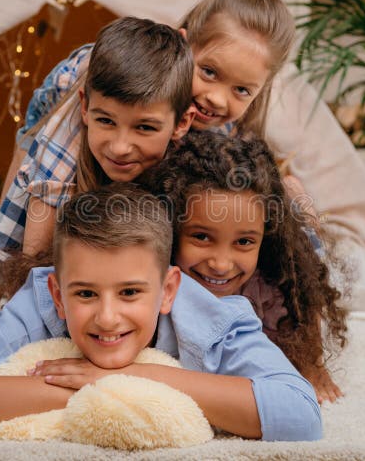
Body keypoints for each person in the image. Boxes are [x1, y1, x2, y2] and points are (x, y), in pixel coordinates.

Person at [0, 0, 296, 342]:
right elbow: (27, 241)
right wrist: (13, 310)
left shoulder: (221, 130)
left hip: (145, 127)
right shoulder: (85, 107)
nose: (216, 98)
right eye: (209, 72)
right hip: (65, 106)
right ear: (185, 45)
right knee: (26, 209)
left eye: (242, 90)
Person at [0, 185, 323, 441]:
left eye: (130, 292)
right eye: (86, 294)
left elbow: (301, 414)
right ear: (59, 295)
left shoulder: (215, 321)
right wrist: (85, 389)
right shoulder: (39, 302)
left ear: (168, 290)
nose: (108, 317)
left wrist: (126, 379)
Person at [142, 130, 349, 404]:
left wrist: (313, 364)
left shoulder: (272, 286)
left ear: (263, 239)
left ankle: (299, 206)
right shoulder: (155, 279)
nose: (220, 264)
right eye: (202, 237)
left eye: (243, 242)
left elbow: (308, 298)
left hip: (295, 246)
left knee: (309, 248)